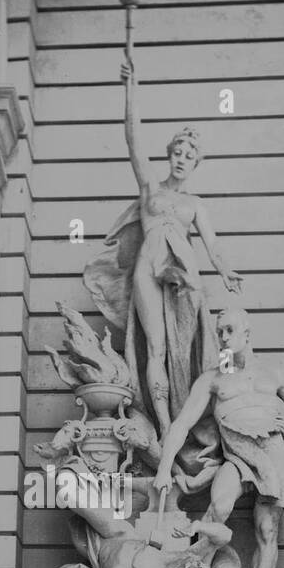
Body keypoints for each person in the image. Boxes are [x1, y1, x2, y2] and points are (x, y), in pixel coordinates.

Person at [82, 57, 242, 441]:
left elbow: (213, 245)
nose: (183, 159)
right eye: (178, 152)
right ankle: (165, 424)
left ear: (197, 163)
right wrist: (130, 89)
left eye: (190, 155)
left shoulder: (196, 205)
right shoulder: (151, 187)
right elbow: (132, 138)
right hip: (148, 267)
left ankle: (187, 417)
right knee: (155, 347)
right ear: (170, 154)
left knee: (184, 350)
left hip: (183, 275)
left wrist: (225, 271)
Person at [154, 302, 284, 568]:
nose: (224, 337)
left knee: (267, 531)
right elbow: (182, 424)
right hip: (235, 458)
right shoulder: (212, 379)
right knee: (220, 507)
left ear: (247, 333)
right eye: (219, 332)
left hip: (271, 455)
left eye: (229, 331)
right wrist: (162, 468)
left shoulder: (275, 373)